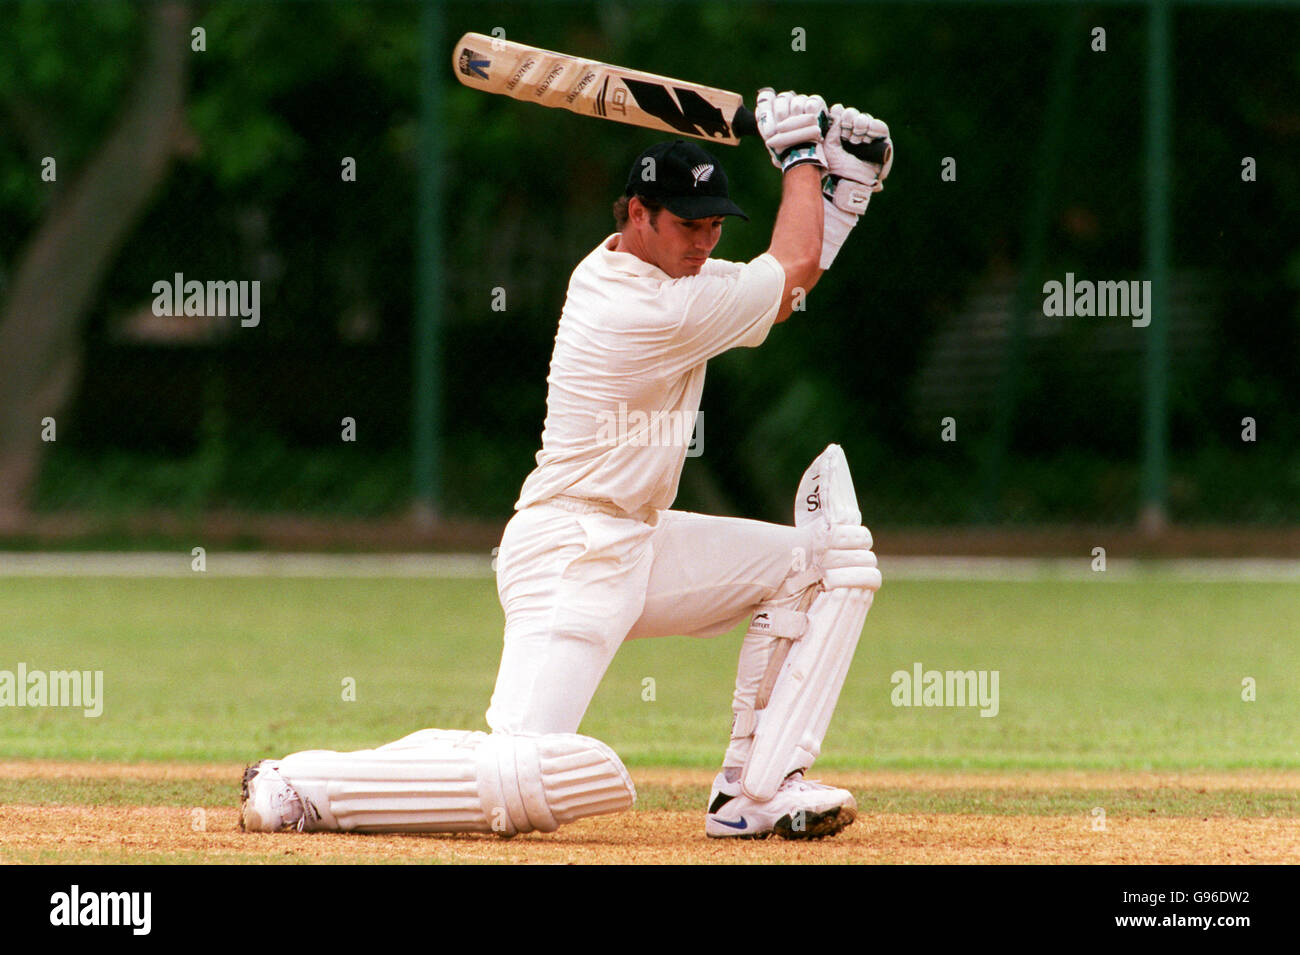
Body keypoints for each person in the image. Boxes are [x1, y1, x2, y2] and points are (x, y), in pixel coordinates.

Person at [240, 89, 892, 841]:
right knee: (521, 775)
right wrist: (806, 157)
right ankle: (298, 784)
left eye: (716, 226)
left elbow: (789, 280)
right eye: (689, 224)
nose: (705, 241)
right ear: (637, 213)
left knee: (822, 561)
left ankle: (755, 790)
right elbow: (792, 263)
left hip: (640, 542)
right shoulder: (641, 308)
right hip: (572, 553)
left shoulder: (676, 278)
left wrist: (842, 181)